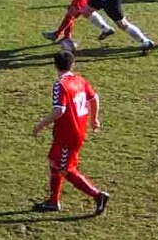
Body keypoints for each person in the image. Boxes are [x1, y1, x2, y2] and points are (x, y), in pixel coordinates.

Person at [30, 50, 110, 215]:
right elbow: (94, 98)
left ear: (54, 65)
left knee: (66, 169)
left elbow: (59, 110)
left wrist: (40, 125)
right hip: (73, 131)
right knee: (54, 161)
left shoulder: (60, 85)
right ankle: (53, 201)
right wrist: (94, 119)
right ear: (72, 65)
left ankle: (98, 195)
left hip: (68, 134)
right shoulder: (80, 80)